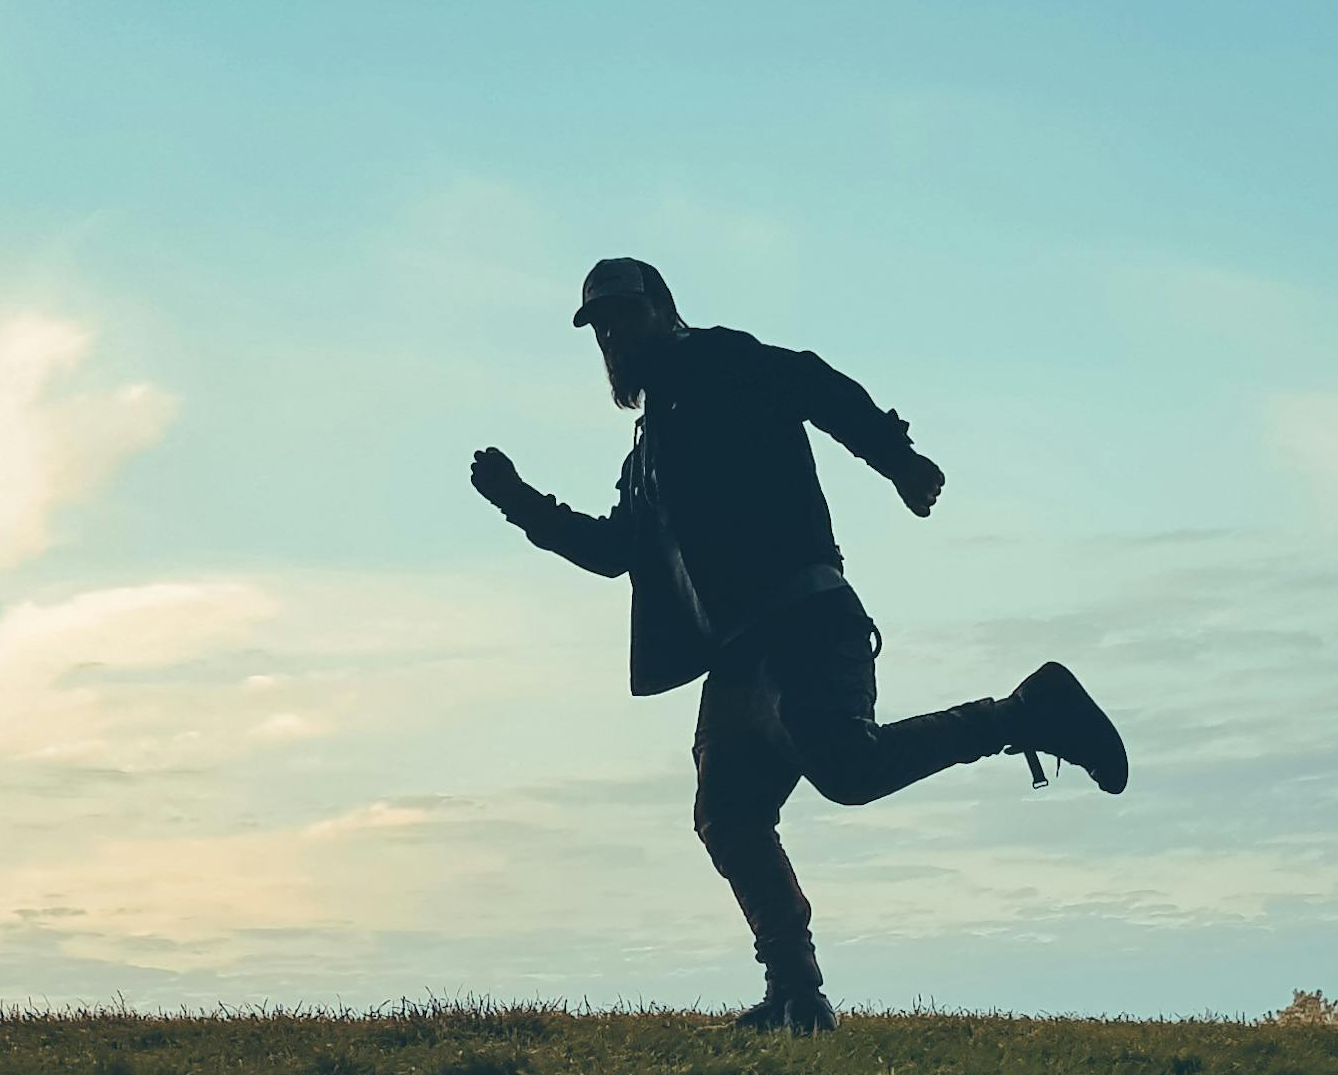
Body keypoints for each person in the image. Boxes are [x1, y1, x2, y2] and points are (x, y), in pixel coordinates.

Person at [469, 256, 1128, 1033]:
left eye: (625, 315)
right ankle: (796, 995)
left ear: (664, 310)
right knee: (728, 816)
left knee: (848, 770)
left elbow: (814, 384)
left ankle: (1023, 712)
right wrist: (520, 502)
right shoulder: (645, 456)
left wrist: (898, 460)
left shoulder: (722, 361)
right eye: (600, 326)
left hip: (803, 621)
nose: (613, 335)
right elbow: (616, 552)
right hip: (737, 660)